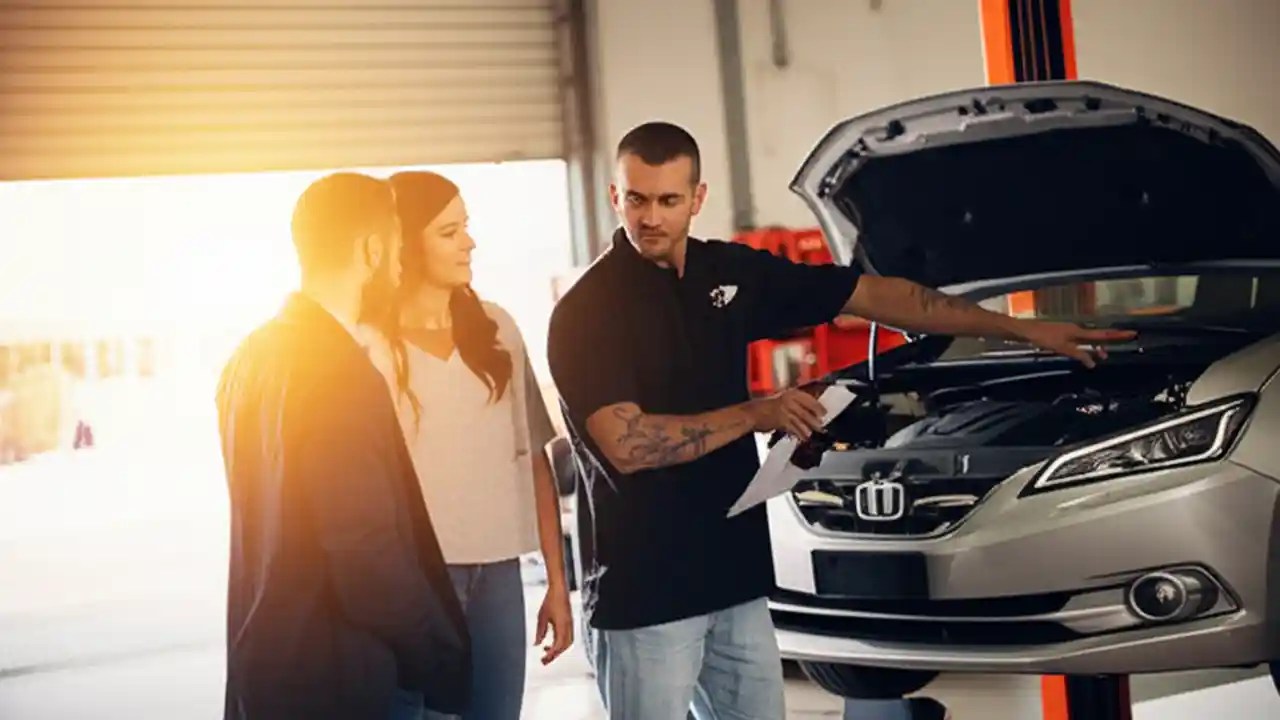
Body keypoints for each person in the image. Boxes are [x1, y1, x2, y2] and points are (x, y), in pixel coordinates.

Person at [545, 121, 1136, 720]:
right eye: (637, 198)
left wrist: (1022, 327)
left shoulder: (727, 274)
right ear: (614, 196)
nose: (650, 217)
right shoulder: (588, 312)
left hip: (733, 577)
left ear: (697, 199)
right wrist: (758, 412)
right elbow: (629, 445)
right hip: (646, 593)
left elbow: (879, 297)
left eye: (668, 200)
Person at [216, 172, 470, 720]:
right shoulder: (339, 372)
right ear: (372, 251)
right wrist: (440, 655)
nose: (401, 265)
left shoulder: (247, 358)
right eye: (397, 248)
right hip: (337, 676)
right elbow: (363, 548)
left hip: (265, 665)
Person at [367, 171, 574, 720]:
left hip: (499, 576)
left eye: (467, 227)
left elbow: (534, 460)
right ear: (407, 244)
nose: (469, 242)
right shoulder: (369, 346)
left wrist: (557, 583)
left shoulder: (497, 329)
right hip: (414, 583)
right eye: (449, 230)